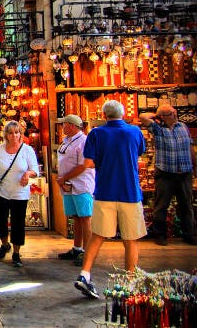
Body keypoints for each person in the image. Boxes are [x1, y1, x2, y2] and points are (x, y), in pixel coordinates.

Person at [74, 100, 146, 299]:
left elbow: (88, 163)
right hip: (130, 192)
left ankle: (85, 274)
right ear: (123, 115)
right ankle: (130, 282)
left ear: (104, 115)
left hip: (105, 191)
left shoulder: (96, 133)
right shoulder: (135, 132)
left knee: (98, 236)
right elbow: (139, 152)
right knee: (130, 240)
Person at [0, 120, 39, 268]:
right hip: (2, 192)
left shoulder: (27, 151)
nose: (14, 135)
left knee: (18, 223)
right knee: (0, 220)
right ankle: (5, 244)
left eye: (17, 132)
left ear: (20, 134)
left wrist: (28, 173)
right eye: (11, 133)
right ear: (6, 135)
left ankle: (16, 253)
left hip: (20, 193)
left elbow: (35, 170)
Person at [139, 105, 196, 246]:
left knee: (186, 205)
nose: (175, 114)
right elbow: (143, 117)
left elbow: (190, 147)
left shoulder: (183, 126)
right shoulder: (158, 129)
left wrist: (195, 165)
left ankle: (189, 234)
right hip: (165, 174)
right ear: (163, 117)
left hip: (184, 173)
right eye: (171, 113)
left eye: (174, 111)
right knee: (161, 206)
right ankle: (160, 235)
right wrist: (157, 115)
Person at [55, 114, 94, 266]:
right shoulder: (66, 141)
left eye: (64, 124)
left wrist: (64, 178)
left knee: (85, 218)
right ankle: (77, 248)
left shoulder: (83, 141)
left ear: (72, 125)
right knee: (76, 217)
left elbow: (83, 165)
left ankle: (87, 252)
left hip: (81, 185)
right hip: (68, 184)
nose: (62, 127)